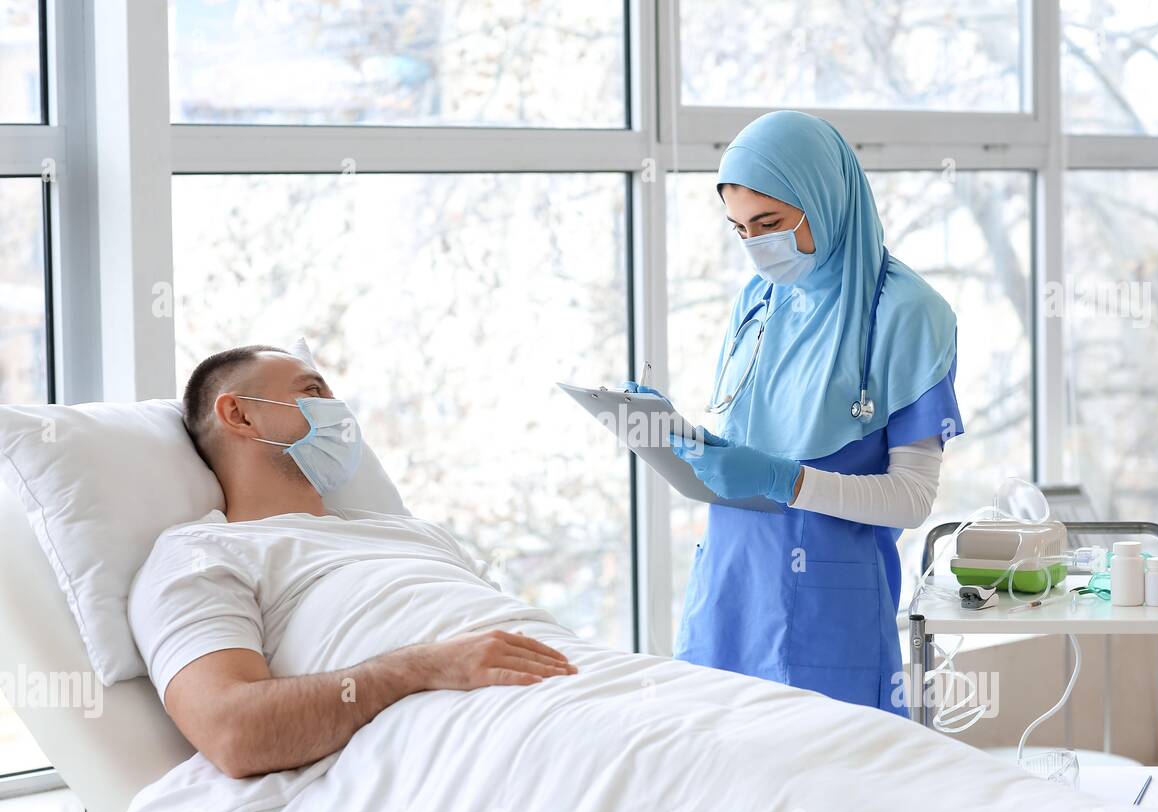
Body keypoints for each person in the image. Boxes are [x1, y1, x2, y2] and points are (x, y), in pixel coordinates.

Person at [631, 110, 964, 714]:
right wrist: (681, 441)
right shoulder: (760, 298)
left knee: (833, 789)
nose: (758, 246)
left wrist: (785, 481)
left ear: (825, 199)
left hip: (826, 608)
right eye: (740, 230)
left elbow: (912, 500)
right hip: (730, 591)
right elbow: (752, 436)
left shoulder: (909, 314)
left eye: (771, 223)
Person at [131, 345, 578, 778]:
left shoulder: (417, 533)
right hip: (479, 731)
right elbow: (231, 733)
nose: (339, 411)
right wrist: (424, 666)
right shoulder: (202, 553)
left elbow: (515, 643)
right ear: (240, 415)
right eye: (312, 392)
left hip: (577, 685)